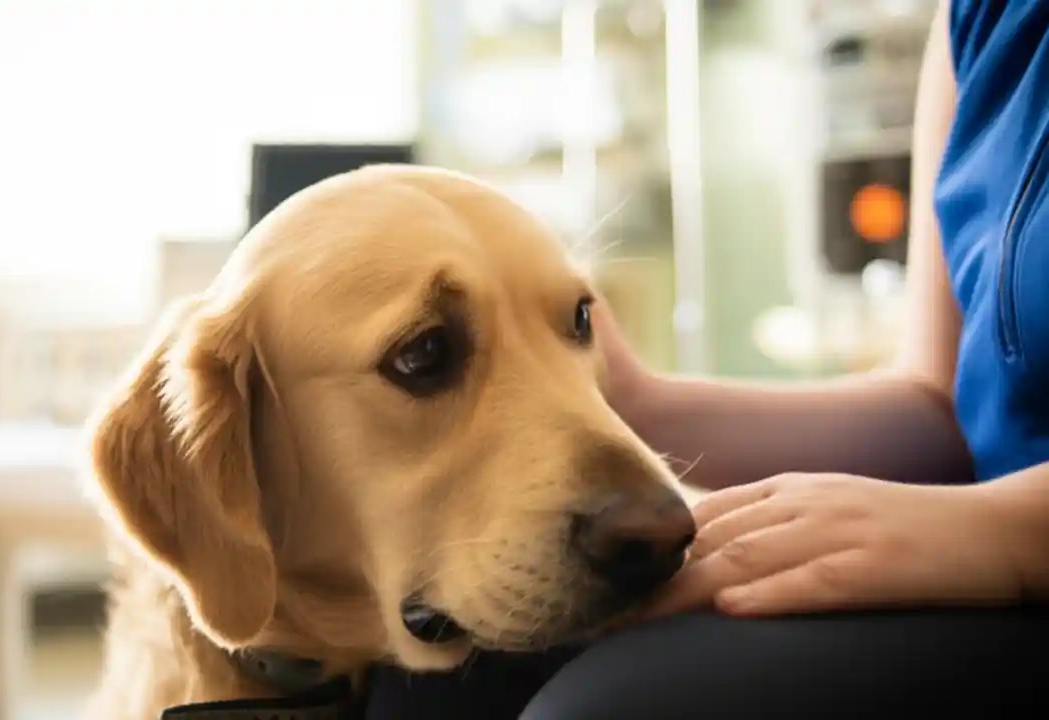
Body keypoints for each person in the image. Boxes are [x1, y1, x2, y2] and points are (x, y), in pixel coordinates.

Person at [363, 1, 1049, 717]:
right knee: (431, 680)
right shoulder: (975, 20)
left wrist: (999, 530)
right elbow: (942, 405)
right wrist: (633, 401)